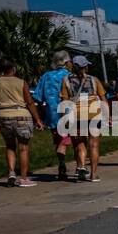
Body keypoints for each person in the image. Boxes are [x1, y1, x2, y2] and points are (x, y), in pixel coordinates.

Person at [0, 58, 45, 188]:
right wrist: (38, 119)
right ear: (13, 69)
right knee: (23, 148)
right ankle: (23, 178)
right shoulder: (21, 82)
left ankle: (11, 173)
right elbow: (30, 102)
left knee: (10, 146)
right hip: (21, 116)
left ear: (0, 70)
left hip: (3, 116)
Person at [60, 55, 109, 182]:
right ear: (85, 66)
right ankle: (93, 174)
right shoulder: (94, 80)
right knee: (94, 145)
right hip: (94, 114)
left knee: (79, 143)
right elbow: (103, 99)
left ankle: (81, 166)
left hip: (76, 115)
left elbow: (64, 101)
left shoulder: (66, 81)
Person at [33, 50, 73, 180]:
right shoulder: (69, 75)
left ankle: (61, 162)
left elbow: (38, 97)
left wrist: (40, 116)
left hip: (52, 113)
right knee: (75, 141)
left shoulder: (46, 76)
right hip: (68, 112)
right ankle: (79, 166)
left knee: (59, 140)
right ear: (66, 62)